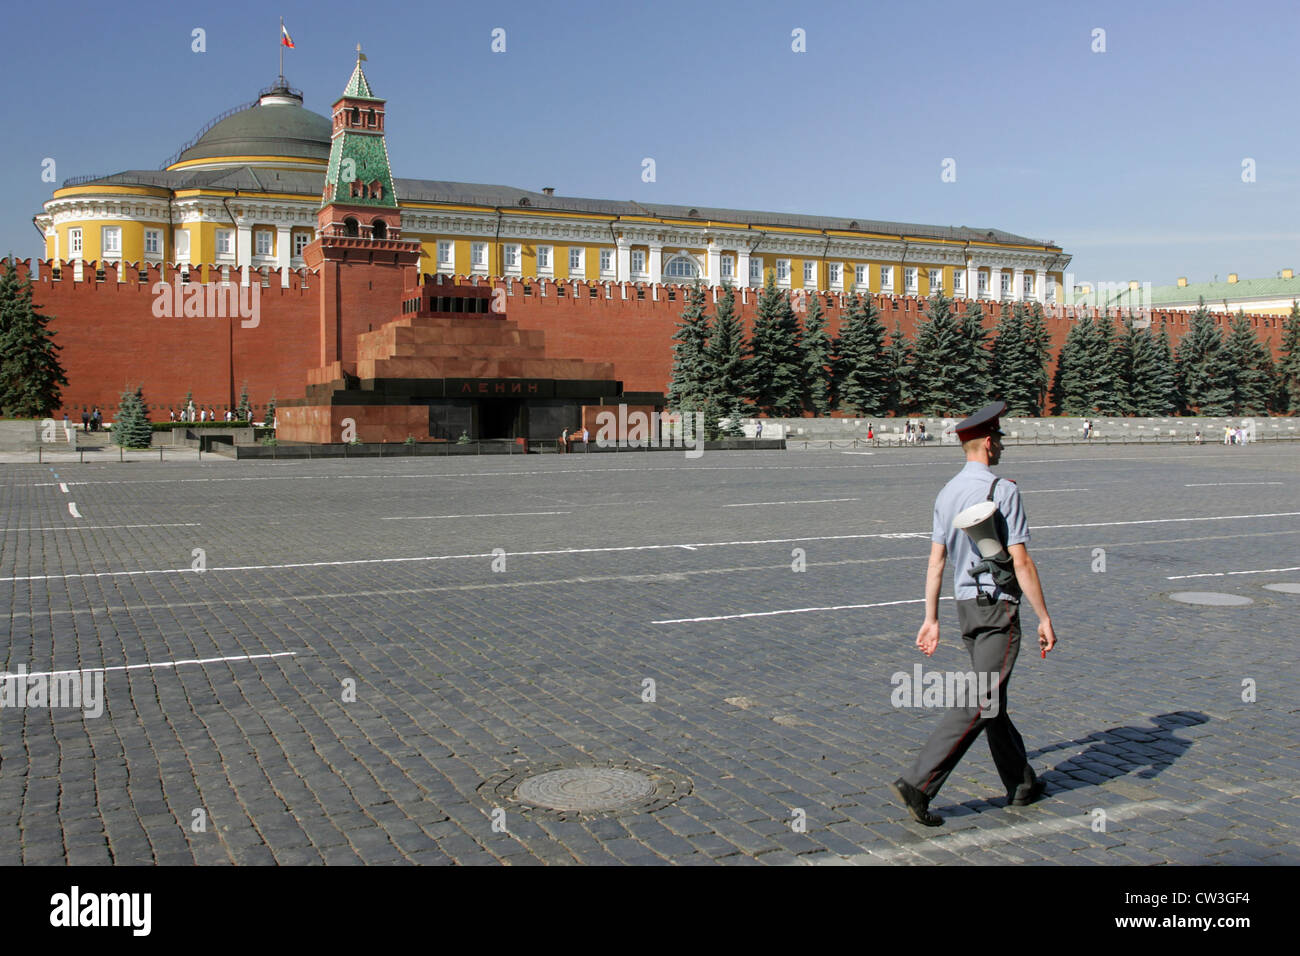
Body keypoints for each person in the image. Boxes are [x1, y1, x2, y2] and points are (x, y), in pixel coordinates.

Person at [891, 400, 1058, 827]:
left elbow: (936, 562)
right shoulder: (1003, 490)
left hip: (967, 609)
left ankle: (1021, 782)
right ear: (987, 443)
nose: (1001, 447)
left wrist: (931, 618)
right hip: (999, 607)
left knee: (992, 698)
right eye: (998, 440)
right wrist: (1043, 617)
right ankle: (919, 781)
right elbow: (1021, 562)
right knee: (982, 696)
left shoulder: (946, 493)